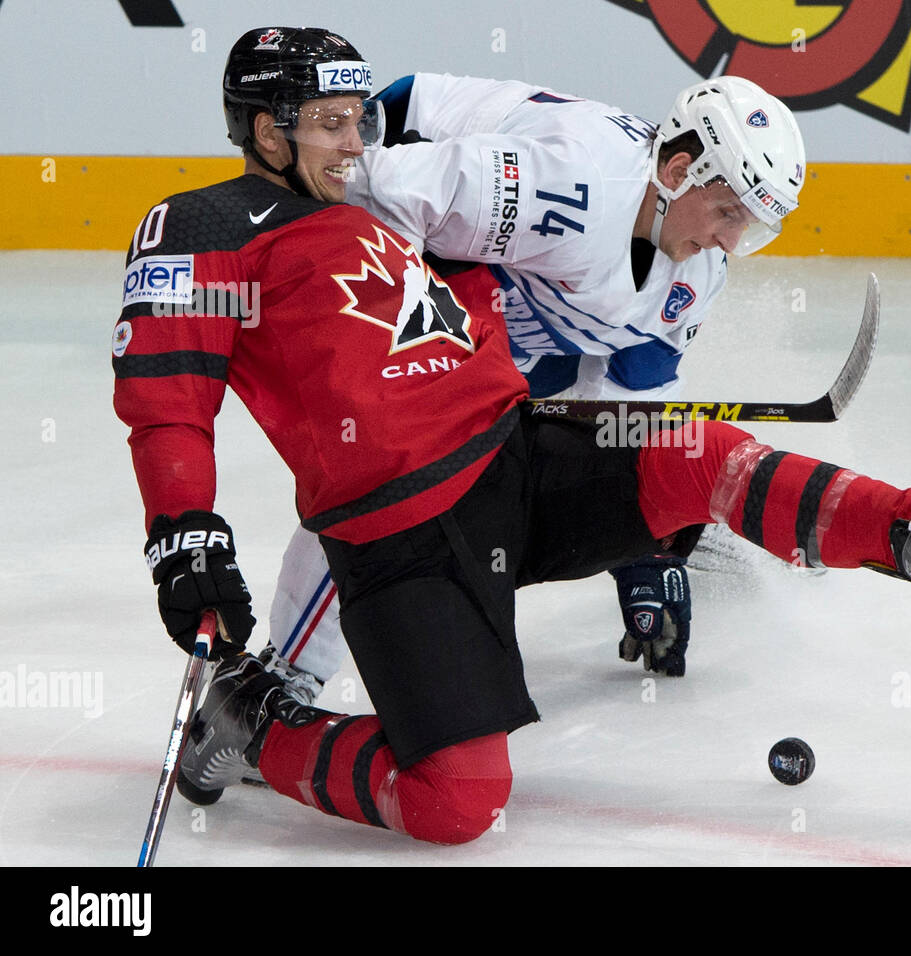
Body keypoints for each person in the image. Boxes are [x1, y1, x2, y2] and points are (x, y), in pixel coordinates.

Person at [114, 26, 911, 847]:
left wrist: (630, 531)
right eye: (332, 125)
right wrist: (183, 533)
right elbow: (166, 402)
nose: (360, 147)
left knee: (691, 451)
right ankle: (258, 723)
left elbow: (590, 353)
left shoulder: (416, 206)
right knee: (459, 803)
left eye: (362, 122)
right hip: (402, 528)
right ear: (269, 132)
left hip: (510, 450)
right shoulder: (201, 228)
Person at [262, 69, 808, 693]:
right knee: (394, 459)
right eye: (727, 213)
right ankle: (285, 670)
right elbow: (384, 188)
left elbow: (625, 408)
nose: (729, 242)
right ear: (679, 172)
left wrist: (641, 542)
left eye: (751, 227)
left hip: (516, 281)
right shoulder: (564, 188)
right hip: (396, 190)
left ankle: (684, 539)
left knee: (550, 401)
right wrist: (409, 354)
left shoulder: (696, 277)